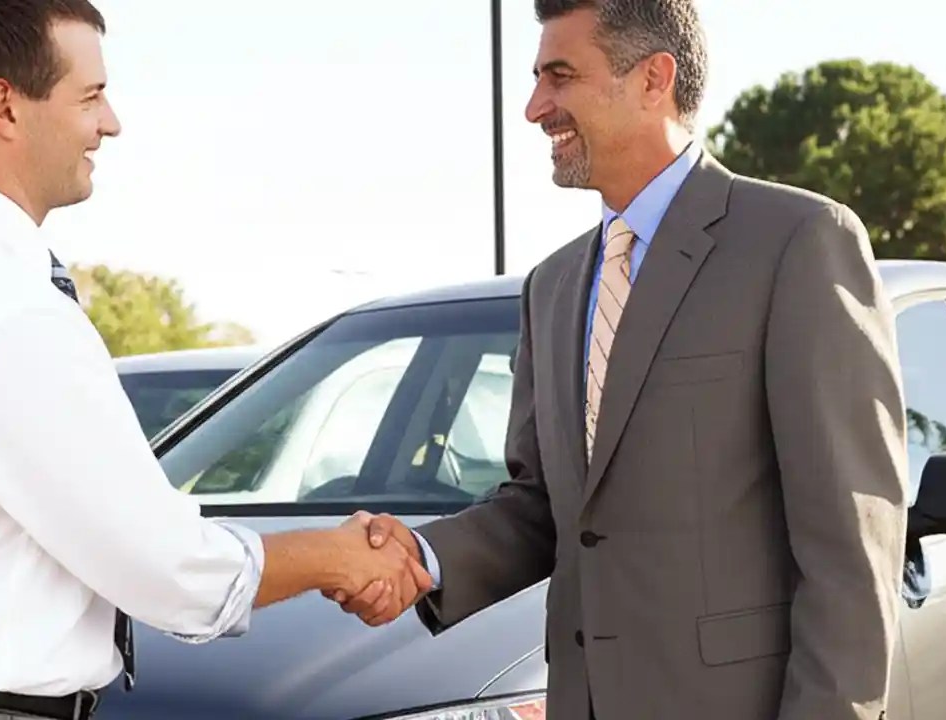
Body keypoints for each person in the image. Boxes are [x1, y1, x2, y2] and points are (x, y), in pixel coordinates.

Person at [0, 2, 426, 719]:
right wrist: (332, 556)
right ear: (4, 106)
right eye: (89, 95)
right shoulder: (1, 306)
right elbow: (164, 567)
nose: (111, 122)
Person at [330, 1, 910, 718]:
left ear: (653, 79)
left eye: (560, 77)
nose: (535, 107)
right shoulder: (552, 286)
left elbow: (852, 547)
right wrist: (423, 556)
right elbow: (543, 506)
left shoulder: (797, 242)